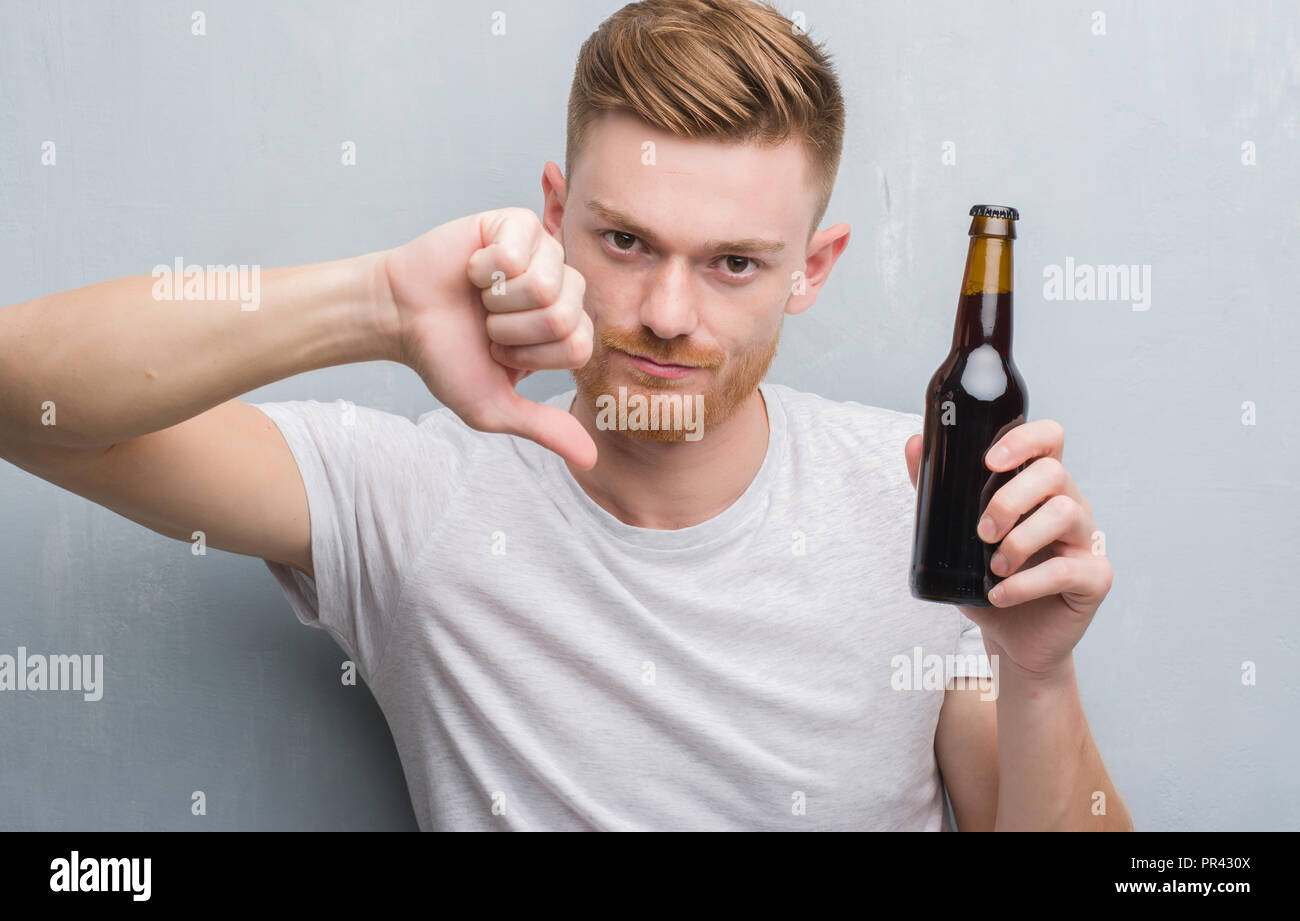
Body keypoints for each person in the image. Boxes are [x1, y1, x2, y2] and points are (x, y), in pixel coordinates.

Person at [0, 0, 1129, 831]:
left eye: (735, 262)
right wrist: (378, 303)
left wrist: (1037, 678)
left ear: (812, 268)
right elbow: (29, 401)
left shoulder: (912, 497)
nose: (667, 313)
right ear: (557, 213)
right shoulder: (420, 501)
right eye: (626, 240)